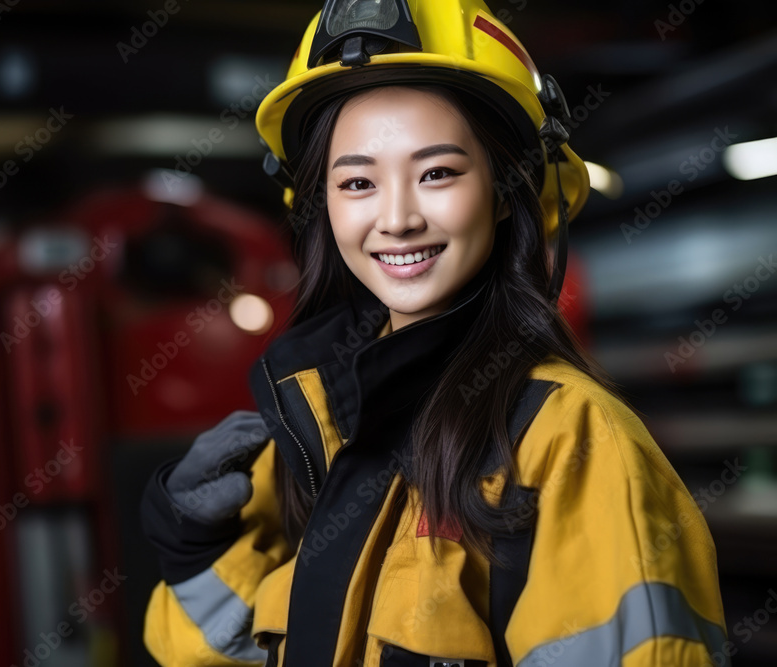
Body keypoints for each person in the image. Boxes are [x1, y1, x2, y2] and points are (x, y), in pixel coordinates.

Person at [140, 1, 730, 665]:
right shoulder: (319, 432)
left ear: (507, 191)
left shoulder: (572, 442)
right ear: (321, 207)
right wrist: (197, 551)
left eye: (437, 172)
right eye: (358, 181)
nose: (396, 218)